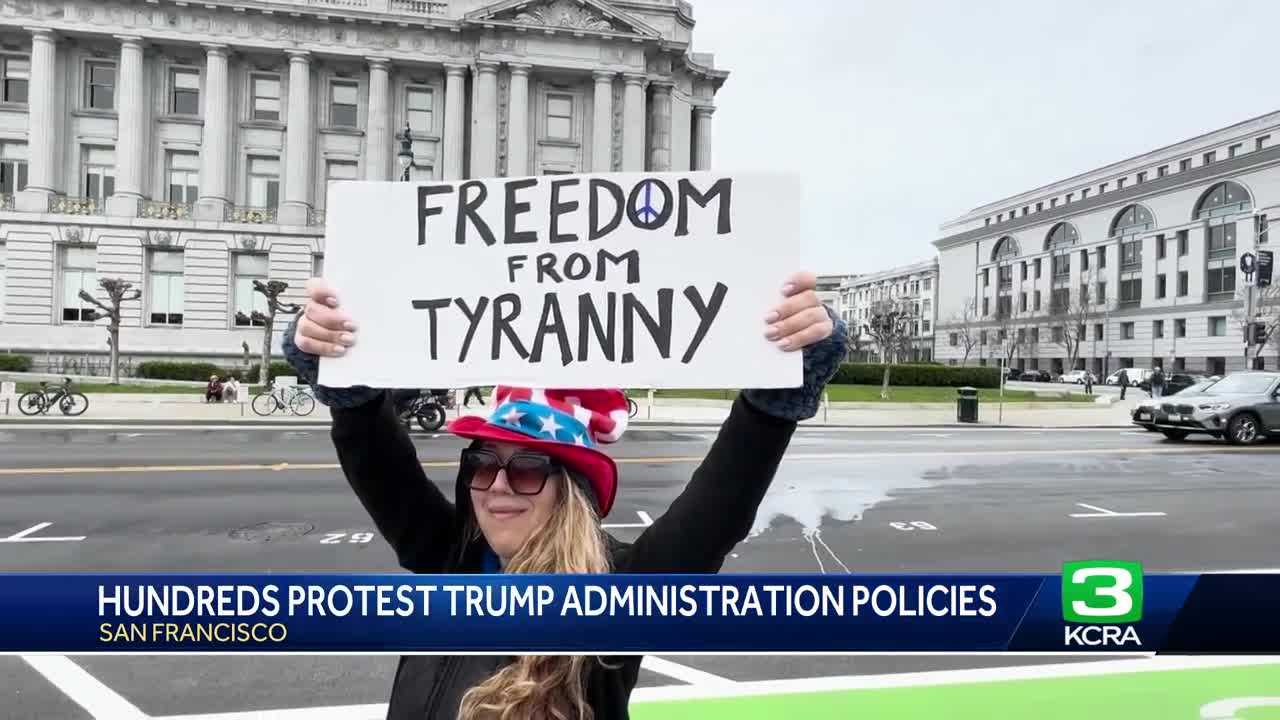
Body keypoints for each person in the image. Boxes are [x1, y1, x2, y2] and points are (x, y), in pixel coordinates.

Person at [285, 272, 845, 720]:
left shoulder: (621, 594)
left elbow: (717, 508)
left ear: (571, 489)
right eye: (482, 464)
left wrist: (776, 396)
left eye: (528, 469)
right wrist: (344, 376)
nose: (498, 485)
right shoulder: (449, 560)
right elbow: (382, 467)